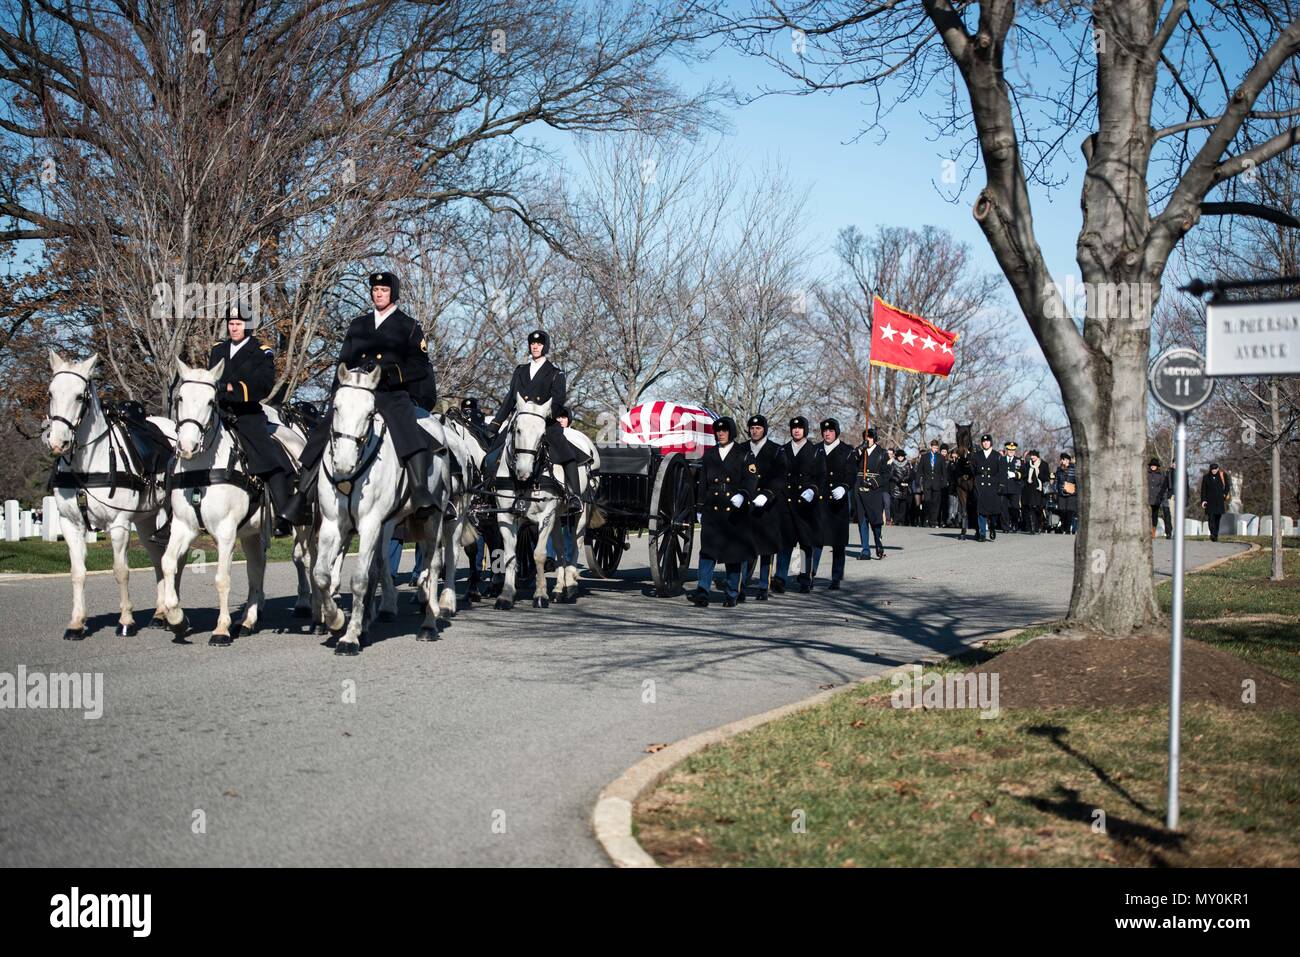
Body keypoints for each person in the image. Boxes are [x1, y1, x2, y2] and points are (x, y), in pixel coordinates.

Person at [282, 271, 437, 523]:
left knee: (407, 429)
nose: (378, 294)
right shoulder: (358, 324)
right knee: (324, 430)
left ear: (393, 293)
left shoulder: (409, 326)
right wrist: (336, 396)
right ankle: (301, 495)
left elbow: (420, 366)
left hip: (390, 393)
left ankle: (420, 491)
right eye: (375, 290)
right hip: (356, 391)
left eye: (384, 290)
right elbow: (343, 361)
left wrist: (391, 374)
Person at [153, 297, 297, 544]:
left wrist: (232, 388)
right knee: (177, 458)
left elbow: (264, 384)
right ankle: (170, 517)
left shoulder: (261, 350)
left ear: (247, 326)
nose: (234, 327)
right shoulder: (219, 348)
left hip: (247, 413)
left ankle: (283, 515)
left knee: (268, 456)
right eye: (231, 323)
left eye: (239, 323)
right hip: (217, 412)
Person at [486, 329, 586, 515]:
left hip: (545, 422)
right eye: (532, 343)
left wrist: (542, 414)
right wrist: (496, 424)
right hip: (521, 422)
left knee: (567, 454)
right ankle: (485, 495)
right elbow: (510, 399)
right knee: (492, 454)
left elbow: (558, 401)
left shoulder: (556, 373)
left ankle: (574, 495)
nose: (535, 346)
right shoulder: (520, 370)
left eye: (539, 344)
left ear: (545, 346)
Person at [689, 417, 755, 608]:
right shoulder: (709, 455)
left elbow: (751, 479)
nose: (721, 434)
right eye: (718, 431)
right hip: (713, 509)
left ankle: (732, 592)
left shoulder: (744, 454)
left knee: (733, 554)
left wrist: (743, 494)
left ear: (731, 432)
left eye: (724, 430)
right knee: (708, 553)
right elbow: (702, 483)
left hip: (734, 511)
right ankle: (702, 591)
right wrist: (699, 507)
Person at [774, 415, 824, 593]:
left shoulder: (815, 450)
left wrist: (813, 490)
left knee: (805, 543)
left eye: (800, 428)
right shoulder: (783, 449)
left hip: (805, 503)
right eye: (794, 428)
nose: (796, 430)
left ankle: (804, 577)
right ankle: (780, 577)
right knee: (785, 542)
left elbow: (820, 476)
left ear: (805, 430)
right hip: (786, 502)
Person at [740, 414, 785, 601]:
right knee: (744, 546)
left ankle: (763, 586)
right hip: (746, 504)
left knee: (766, 548)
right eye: (752, 427)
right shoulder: (741, 449)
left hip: (768, 505)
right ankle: (740, 584)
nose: (754, 431)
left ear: (764, 429)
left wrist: (767, 494)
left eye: (758, 428)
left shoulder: (776, 450)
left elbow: (780, 477)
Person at [811, 418, 852, 590]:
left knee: (838, 542)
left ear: (836, 432)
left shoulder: (846, 451)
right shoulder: (815, 450)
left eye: (831, 431)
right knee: (814, 541)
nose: (827, 433)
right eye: (824, 431)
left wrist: (845, 487)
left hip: (837, 502)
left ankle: (836, 576)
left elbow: (851, 474)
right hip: (818, 501)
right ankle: (809, 574)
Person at [853, 427, 890, 559]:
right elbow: (851, 463)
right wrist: (859, 450)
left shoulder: (882, 453)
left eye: (869, 437)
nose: (867, 439)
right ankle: (865, 550)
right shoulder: (859, 451)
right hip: (859, 489)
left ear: (874, 439)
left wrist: (874, 482)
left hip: (874, 491)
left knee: (875, 520)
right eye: (865, 437)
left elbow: (886, 473)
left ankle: (878, 543)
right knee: (862, 520)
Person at [971, 433, 1004, 542]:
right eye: (983, 441)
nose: (985, 443)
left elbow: (1001, 472)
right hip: (981, 485)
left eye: (987, 441)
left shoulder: (997, 456)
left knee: (993, 512)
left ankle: (993, 527)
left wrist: (1001, 485)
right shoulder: (977, 455)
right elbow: (973, 470)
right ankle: (982, 534)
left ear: (991, 442)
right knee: (981, 511)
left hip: (993, 486)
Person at [918, 438, 947, 528]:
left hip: (937, 484)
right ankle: (926, 520)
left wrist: (944, 482)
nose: (935, 449)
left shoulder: (941, 458)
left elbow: (944, 472)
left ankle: (933, 521)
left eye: (936, 448)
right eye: (934, 447)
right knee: (927, 502)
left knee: (936, 503)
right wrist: (918, 480)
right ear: (931, 447)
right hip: (927, 483)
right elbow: (920, 470)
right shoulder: (924, 457)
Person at [1200, 462, 1231, 541]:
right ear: (1210, 469)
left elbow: (1227, 486)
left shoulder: (1223, 476)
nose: (1214, 471)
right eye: (1212, 469)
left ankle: (1215, 534)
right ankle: (1212, 534)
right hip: (1209, 502)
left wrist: (1224, 494)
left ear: (1218, 469)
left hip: (1219, 501)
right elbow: (1203, 490)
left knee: (1217, 518)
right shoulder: (1206, 477)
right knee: (1211, 518)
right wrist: (1203, 500)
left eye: (1215, 469)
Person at [1021, 449, 1046, 534]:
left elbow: (1046, 477)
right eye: (1031, 455)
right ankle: (1032, 528)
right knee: (1031, 508)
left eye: (1034, 455)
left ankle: (1039, 525)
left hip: (1039, 490)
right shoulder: (1028, 464)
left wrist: (1039, 474)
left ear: (1037, 456)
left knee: (1038, 509)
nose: (1032, 457)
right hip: (1029, 489)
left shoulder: (1044, 464)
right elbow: (1024, 475)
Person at [1000, 441, 1023, 533]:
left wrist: (1016, 475)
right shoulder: (1001, 460)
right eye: (1009, 449)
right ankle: (1005, 527)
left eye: (1013, 450)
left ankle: (1014, 524)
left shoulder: (1018, 461)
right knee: (1003, 508)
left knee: (1015, 508)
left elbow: (1024, 473)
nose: (1011, 451)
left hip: (1014, 488)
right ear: (1006, 450)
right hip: (1004, 488)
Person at [1147, 457, 1172, 539]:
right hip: (1147, 497)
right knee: (1147, 515)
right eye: (1151, 465)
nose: (1153, 467)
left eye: (1154, 466)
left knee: (1154, 515)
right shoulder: (1146, 473)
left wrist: (1161, 495)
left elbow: (1163, 486)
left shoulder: (1161, 475)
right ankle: (1147, 531)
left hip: (1156, 498)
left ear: (1157, 466)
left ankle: (1153, 531)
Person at [1054, 452, 1078, 534]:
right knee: (1062, 511)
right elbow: (1056, 481)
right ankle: (1063, 526)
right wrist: (1055, 490)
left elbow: (1077, 481)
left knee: (1070, 512)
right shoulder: (1059, 470)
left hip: (1071, 494)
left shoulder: (1074, 469)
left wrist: (1075, 490)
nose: (1061, 461)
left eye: (1062, 460)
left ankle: (1067, 529)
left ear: (1066, 460)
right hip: (1061, 493)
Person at [889, 449, 912, 526]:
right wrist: (897, 480)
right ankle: (895, 519)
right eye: (899, 456)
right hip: (896, 486)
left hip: (904, 486)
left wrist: (904, 479)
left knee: (903, 504)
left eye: (902, 456)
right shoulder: (893, 463)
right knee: (895, 504)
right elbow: (891, 474)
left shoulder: (907, 464)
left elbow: (909, 474)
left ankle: (902, 520)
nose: (900, 457)